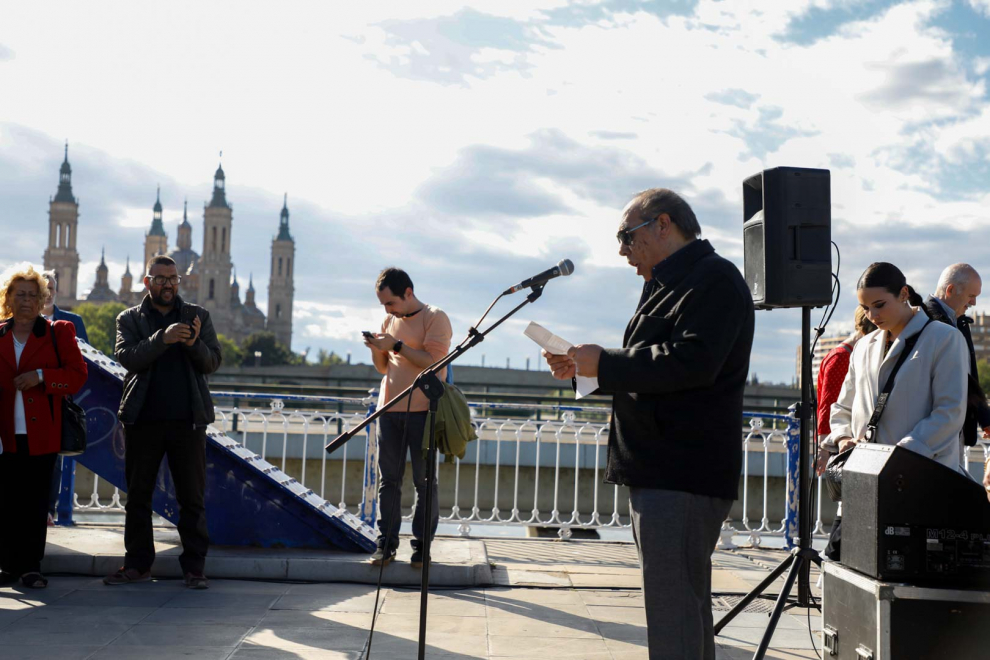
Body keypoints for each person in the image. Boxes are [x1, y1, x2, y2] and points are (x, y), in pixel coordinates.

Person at [544, 188, 754, 660]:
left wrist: (606, 363)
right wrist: (587, 370)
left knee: (674, 614)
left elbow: (691, 364)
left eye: (626, 236)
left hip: (681, 473)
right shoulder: (670, 281)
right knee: (681, 610)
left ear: (663, 224)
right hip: (663, 471)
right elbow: (653, 369)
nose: (622, 251)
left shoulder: (713, 279)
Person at [104, 255, 222, 589]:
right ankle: (138, 565)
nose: (167, 284)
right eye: (160, 279)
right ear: (147, 282)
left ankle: (195, 569)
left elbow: (212, 362)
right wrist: (163, 338)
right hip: (143, 421)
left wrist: (192, 342)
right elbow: (127, 357)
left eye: (172, 278)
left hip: (188, 422)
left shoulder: (198, 316)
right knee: (139, 496)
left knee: (192, 498)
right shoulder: (129, 319)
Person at [828, 262, 969, 470]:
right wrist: (843, 438)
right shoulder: (863, 346)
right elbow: (842, 406)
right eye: (865, 308)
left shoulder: (945, 338)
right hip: (864, 474)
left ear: (904, 294)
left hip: (919, 474)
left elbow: (950, 412)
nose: (872, 316)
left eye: (879, 305)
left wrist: (903, 452)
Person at [0, 263, 87, 588]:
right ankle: (8, 567)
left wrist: (40, 377)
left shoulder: (58, 331)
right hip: (4, 435)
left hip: (41, 434)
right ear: (8, 297)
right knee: (7, 503)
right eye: (19, 294)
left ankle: (31, 567)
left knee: (35, 504)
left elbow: (77, 376)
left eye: (33, 294)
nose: (26, 300)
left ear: (42, 298)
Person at [364, 267, 452, 568]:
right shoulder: (389, 320)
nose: (387, 310)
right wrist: (378, 348)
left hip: (423, 410)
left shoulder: (434, 317)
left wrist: (397, 345)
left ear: (408, 293)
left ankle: (421, 548)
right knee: (388, 481)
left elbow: (433, 362)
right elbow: (383, 368)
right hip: (389, 409)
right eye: (383, 305)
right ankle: (385, 545)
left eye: (391, 303)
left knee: (424, 482)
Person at [923, 264, 990, 448]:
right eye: (971, 296)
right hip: (936, 431)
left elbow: (968, 374)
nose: (974, 303)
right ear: (951, 290)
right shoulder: (924, 321)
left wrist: (984, 416)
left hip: (952, 429)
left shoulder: (957, 320)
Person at [41, 270, 89, 526]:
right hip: (24, 402)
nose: (48, 292)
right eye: (43, 287)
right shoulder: (17, 320)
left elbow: (85, 363)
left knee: (53, 459)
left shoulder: (73, 321)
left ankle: (49, 510)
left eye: (52, 288)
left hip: (58, 401)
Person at [814, 308, 876, 476]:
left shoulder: (843, 354)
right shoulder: (842, 358)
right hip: (841, 443)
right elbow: (829, 405)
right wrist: (824, 448)